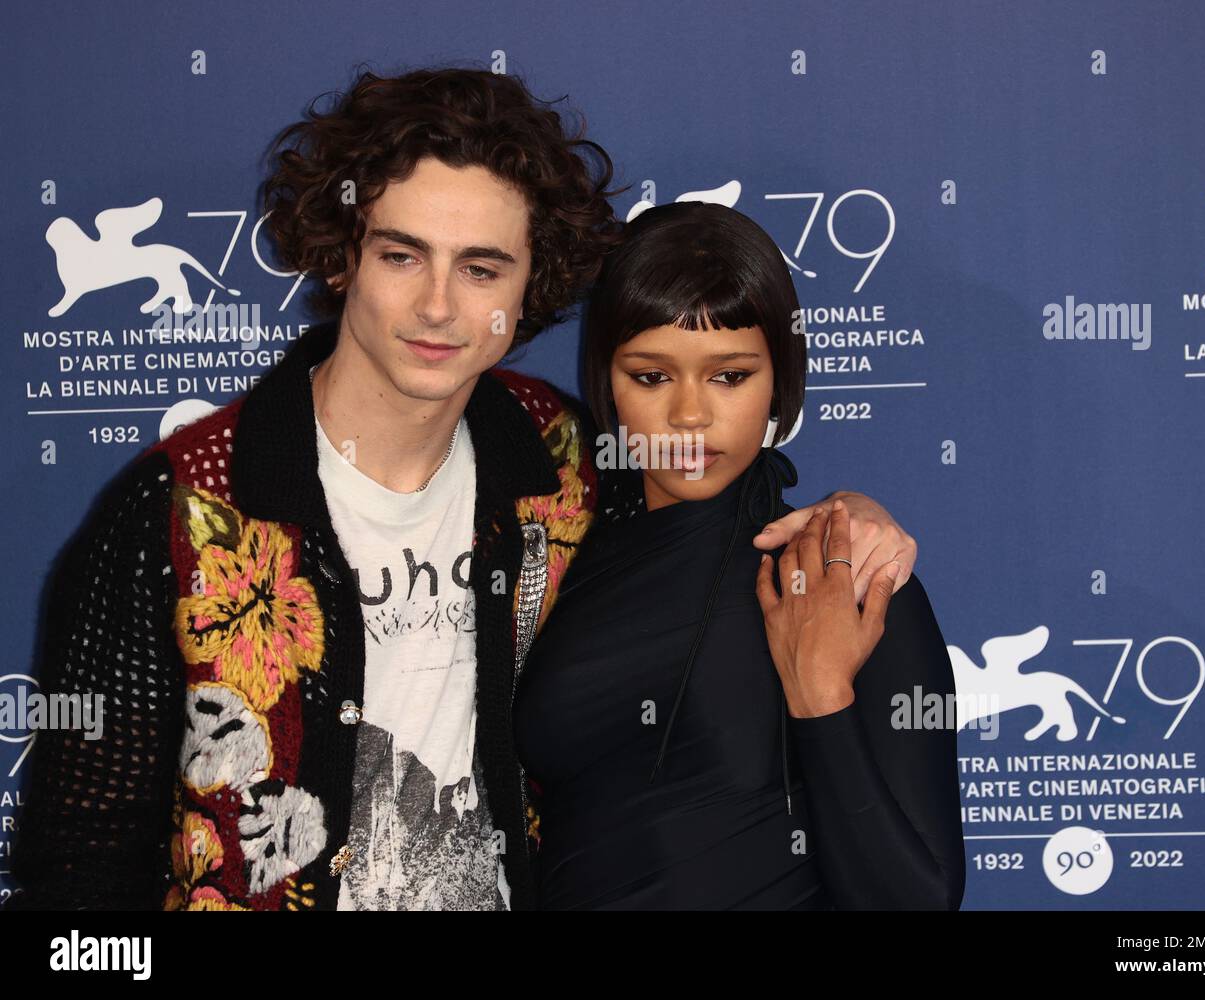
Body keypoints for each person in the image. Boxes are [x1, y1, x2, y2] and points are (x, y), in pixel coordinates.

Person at [3, 67, 918, 912]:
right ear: (339, 259)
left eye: (481, 268)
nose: (440, 306)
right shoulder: (181, 509)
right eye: (403, 257)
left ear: (529, 290)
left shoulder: (564, 463)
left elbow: (717, 494)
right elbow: (75, 878)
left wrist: (853, 516)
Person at [513, 202, 965, 909]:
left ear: (781, 380)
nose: (690, 415)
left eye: (729, 376)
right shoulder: (557, 555)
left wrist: (819, 695)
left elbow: (916, 900)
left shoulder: (849, 575)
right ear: (606, 383)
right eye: (652, 376)